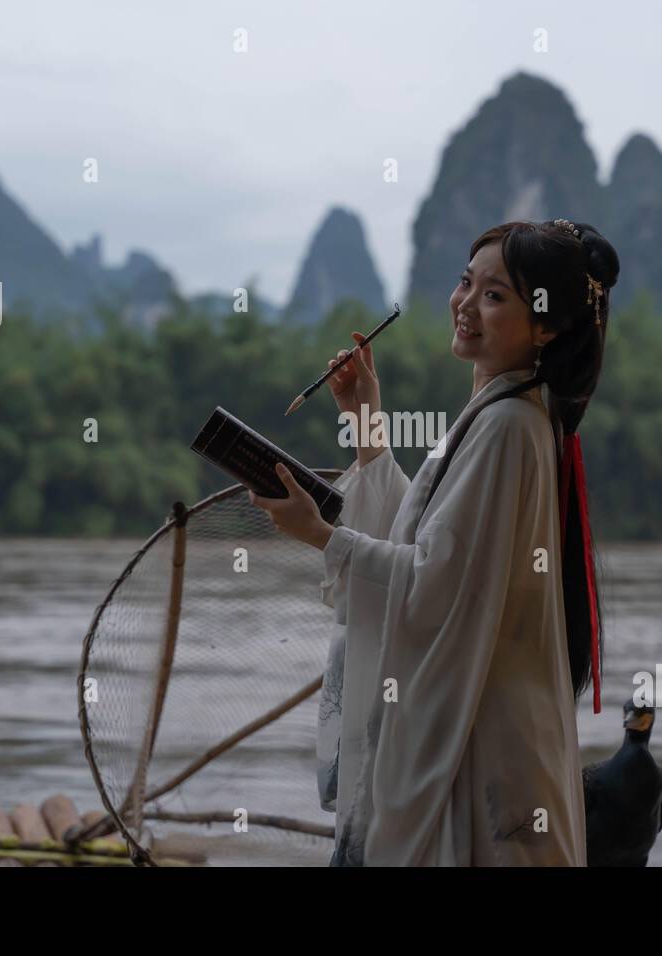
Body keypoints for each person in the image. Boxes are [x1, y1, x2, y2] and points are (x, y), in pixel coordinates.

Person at [250, 218, 619, 865]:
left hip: (479, 740)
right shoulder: (506, 410)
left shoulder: (508, 424)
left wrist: (322, 535)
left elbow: (437, 589)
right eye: (465, 283)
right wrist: (367, 421)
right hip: (489, 723)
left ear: (548, 325)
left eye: (496, 295)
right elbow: (430, 547)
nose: (466, 305)